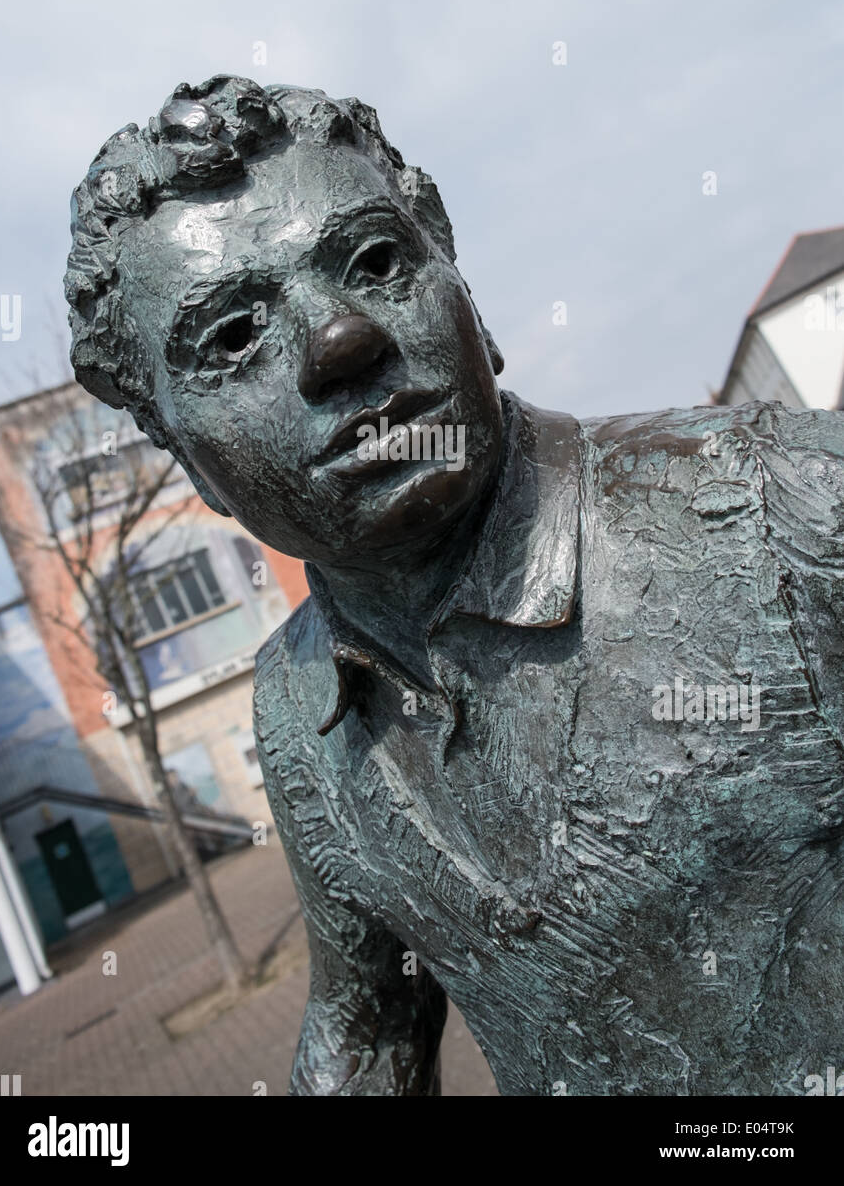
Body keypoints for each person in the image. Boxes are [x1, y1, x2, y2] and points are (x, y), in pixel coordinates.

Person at [65, 75, 844, 1095]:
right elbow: (364, 1029)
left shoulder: (780, 505)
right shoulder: (296, 709)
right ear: (186, 459)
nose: (341, 341)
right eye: (233, 339)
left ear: (458, 281)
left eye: (376, 260)